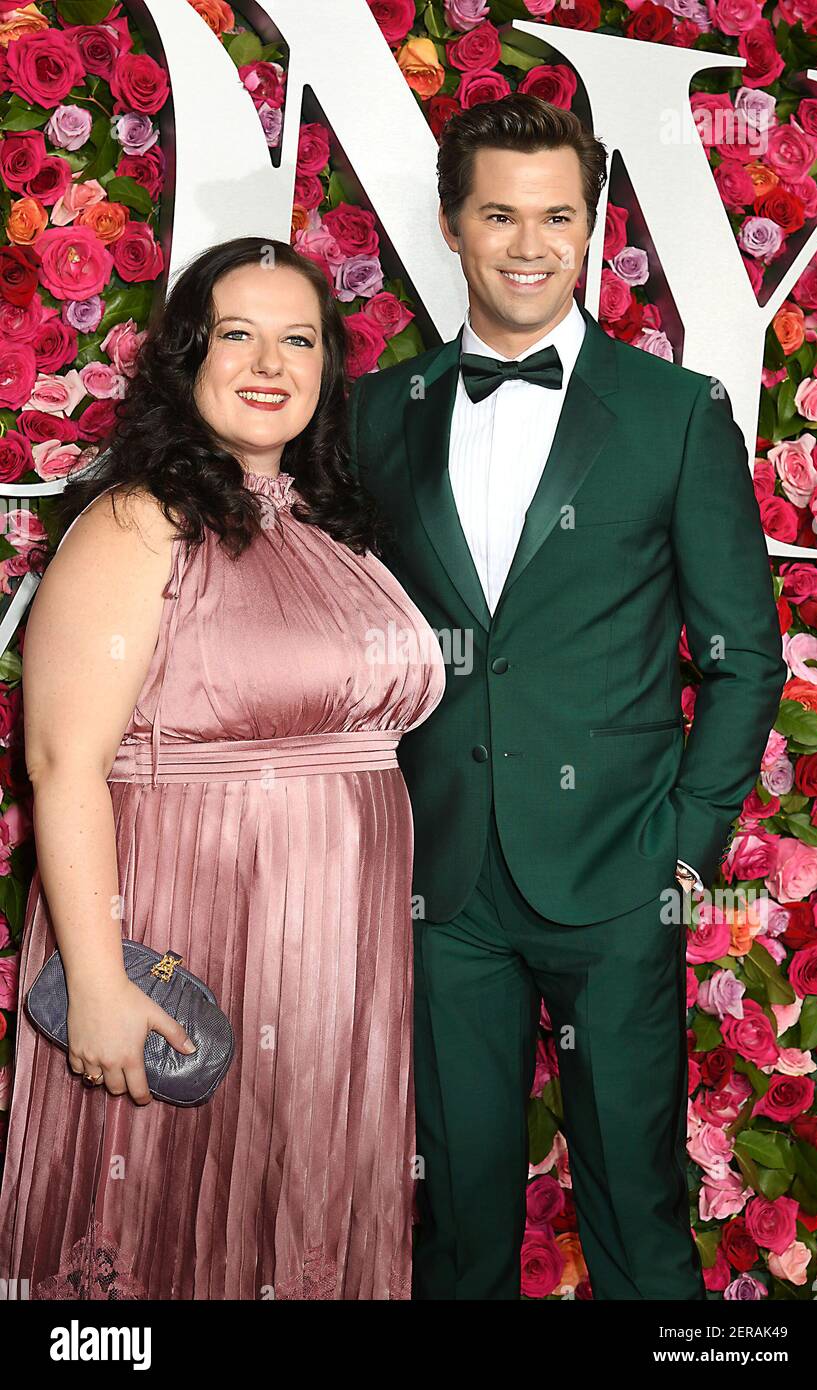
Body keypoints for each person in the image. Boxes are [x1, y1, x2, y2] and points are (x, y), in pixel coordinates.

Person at [346, 94, 787, 1300]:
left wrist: (684, 847)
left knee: (641, 1225)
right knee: (457, 1230)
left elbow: (745, 655)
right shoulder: (378, 414)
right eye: (499, 213)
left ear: (591, 225)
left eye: (558, 215)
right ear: (451, 223)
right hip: (442, 889)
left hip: (614, 880)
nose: (530, 243)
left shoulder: (672, 414)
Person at [0, 236, 445, 1300]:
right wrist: (98, 981)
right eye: (237, 335)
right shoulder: (134, 520)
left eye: (297, 339)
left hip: (337, 967)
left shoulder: (331, 530)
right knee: (161, 1227)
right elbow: (62, 765)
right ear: (189, 357)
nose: (269, 363)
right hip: (192, 921)